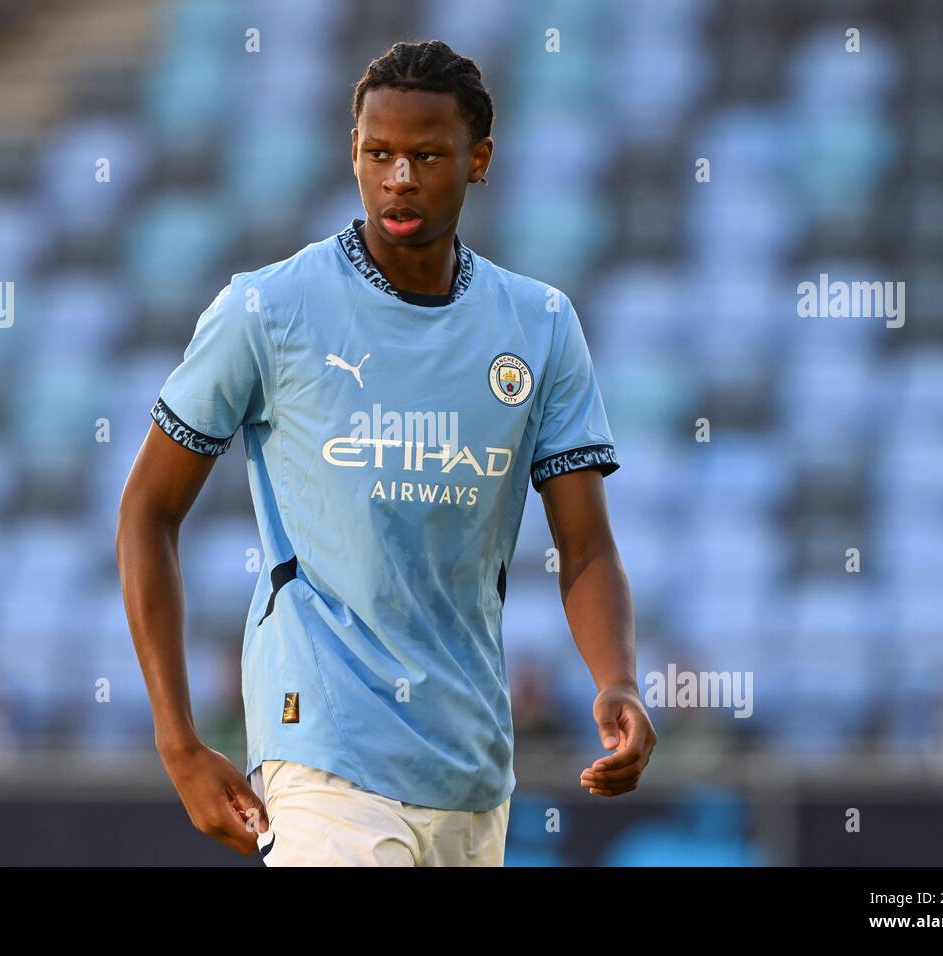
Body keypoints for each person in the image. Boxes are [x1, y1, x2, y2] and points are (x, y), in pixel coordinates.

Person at [116, 39, 655, 867]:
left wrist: (616, 679)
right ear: (354, 154)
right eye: (379, 154)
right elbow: (147, 511)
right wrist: (178, 742)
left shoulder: (540, 326)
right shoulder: (268, 308)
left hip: (473, 769)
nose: (399, 177)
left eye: (427, 156)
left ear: (479, 162)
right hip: (323, 754)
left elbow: (585, 546)